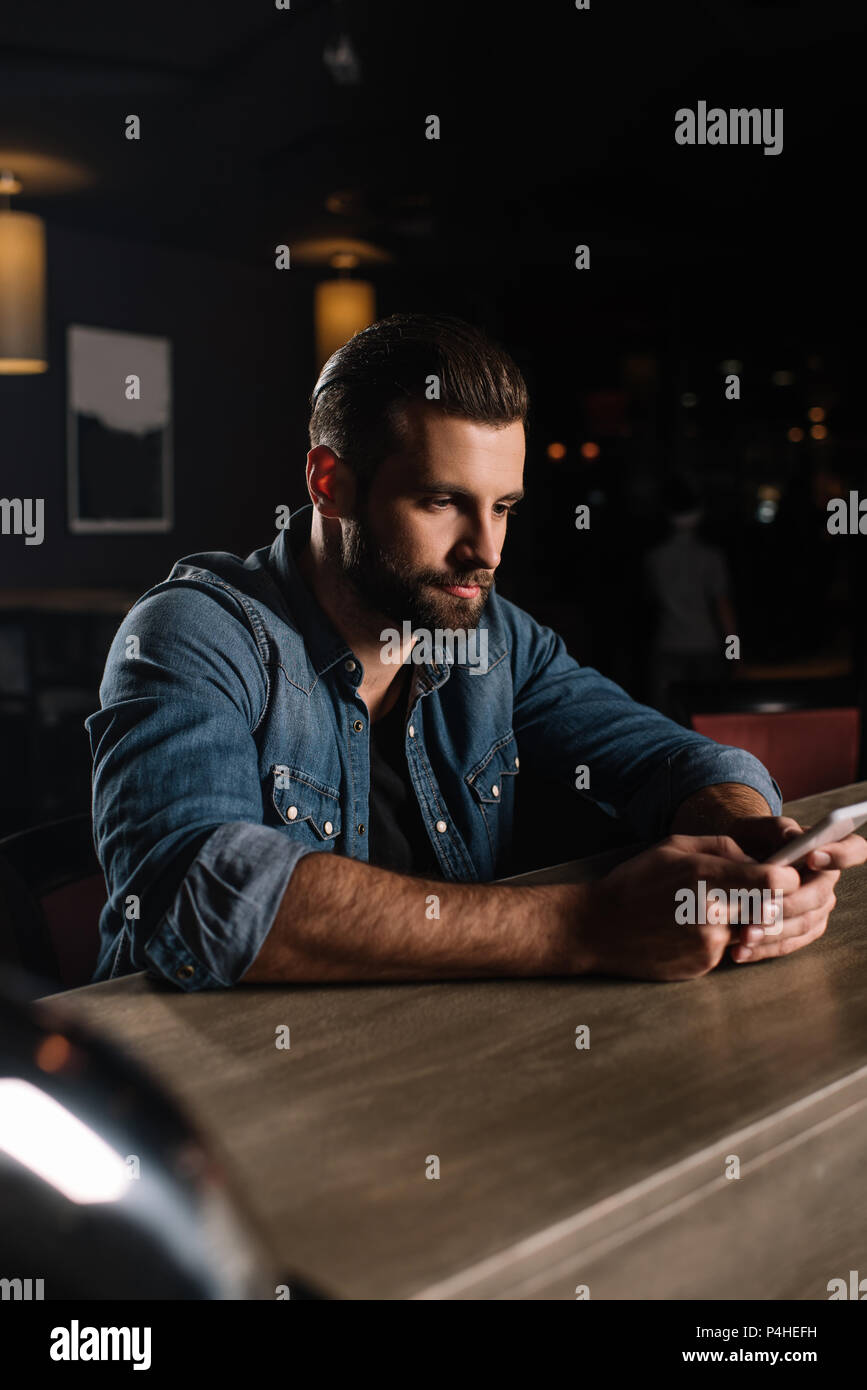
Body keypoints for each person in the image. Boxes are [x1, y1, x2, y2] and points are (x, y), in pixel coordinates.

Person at [85, 314, 863, 990]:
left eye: (502, 507)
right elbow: (195, 894)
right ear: (331, 484)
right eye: (442, 502)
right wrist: (586, 926)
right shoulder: (195, 634)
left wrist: (755, 846)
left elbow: (672, 759)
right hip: (197, 1106)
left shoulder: (492, 636)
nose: (485, 552)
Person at [645, 480, 736, 720]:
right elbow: (723, 608)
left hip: (668, 644)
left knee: (667, 719)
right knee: (705, 718)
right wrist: (735, 653)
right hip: (704, 645)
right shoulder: (711, 557)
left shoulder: (654, 558)